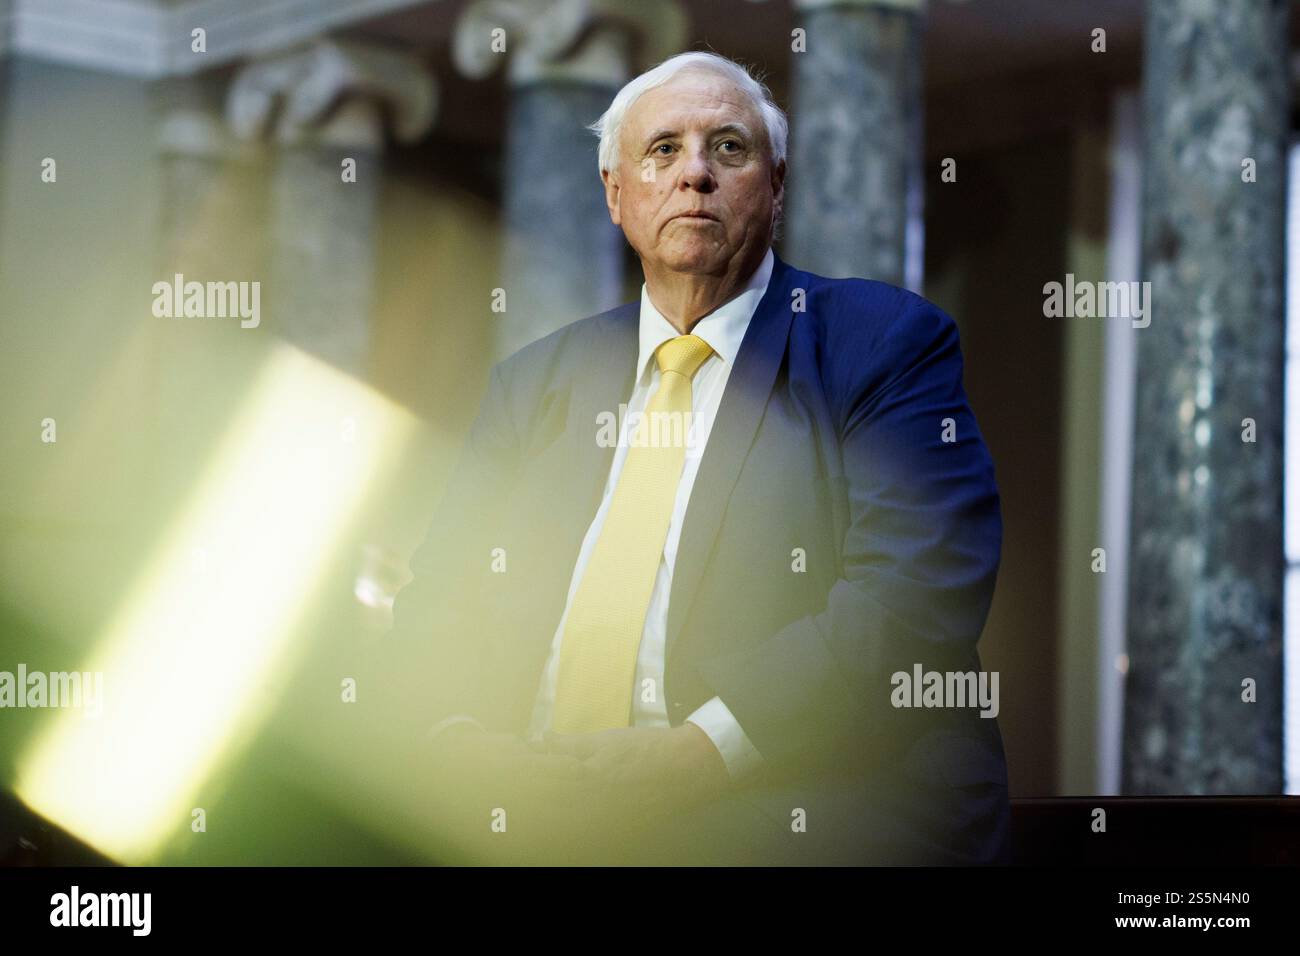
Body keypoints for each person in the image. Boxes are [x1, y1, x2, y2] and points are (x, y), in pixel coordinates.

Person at [379, 51, 1010, 866]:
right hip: (532, 808)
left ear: (777, 185)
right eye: (663, 150)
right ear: (615, 193)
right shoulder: (535, 383)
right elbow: (443, 594)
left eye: (730, 148)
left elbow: (913, 598)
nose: (696, 175)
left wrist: (701, 753)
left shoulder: (880, 343)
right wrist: (455, 741)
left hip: (782, 803)